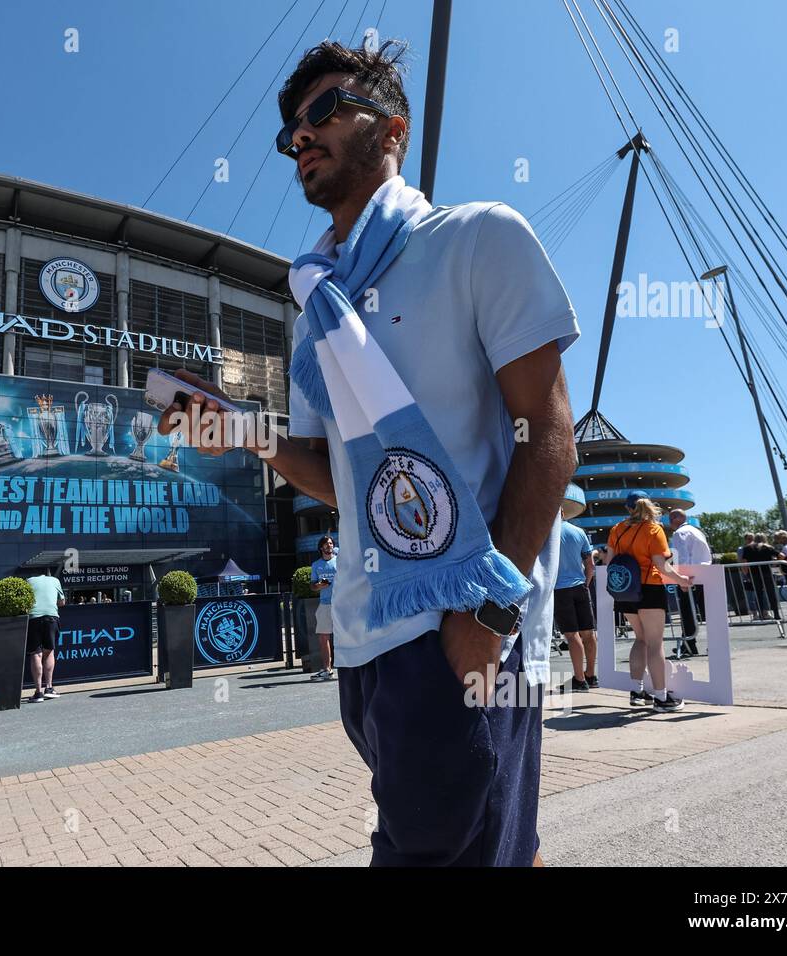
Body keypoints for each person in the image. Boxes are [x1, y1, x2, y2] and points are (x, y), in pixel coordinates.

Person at [157, 39, 579, 866]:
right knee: (489, 847)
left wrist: (483, 621)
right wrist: (245, 432)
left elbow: (549, 438)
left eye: (323, 111)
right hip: (366, 634)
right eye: (290, 131)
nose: (301, 136)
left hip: (468, 627)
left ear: (394, 126)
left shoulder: (478, 237)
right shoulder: (320, 303)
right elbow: (353, 484)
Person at [604, 495, 694, 712]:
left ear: (628, 507)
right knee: (655, 643)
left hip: (625, 589)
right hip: (649, 587)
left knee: (640, 639)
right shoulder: (653, 529)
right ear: (650, 507)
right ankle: (662, 698)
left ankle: (637, 692)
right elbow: (661, 566)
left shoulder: (617, 528)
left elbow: (609, 561)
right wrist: (682, 580)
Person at [553, 512, 596, 691]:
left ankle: (579, 679)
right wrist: (586, 582)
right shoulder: (579, 532)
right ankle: (591, 675)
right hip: (580, 586)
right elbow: (590, 564)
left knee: (571, 635)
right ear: (563, 513)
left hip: (560, 589)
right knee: (588, 632)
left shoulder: (549, 533)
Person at [668, 509, 712, 655]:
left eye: (670, 518)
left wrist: (682, 579)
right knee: (707, 611)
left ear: (675, 519)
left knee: (687, 611)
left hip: (691, 576)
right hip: (705, 573)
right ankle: (714, 643)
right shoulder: (696, 531)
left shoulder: (680, 533)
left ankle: (689, 645)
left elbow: (682, 558)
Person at [25, 568, 66, 703]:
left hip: (33, 618)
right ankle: (49, 688)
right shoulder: (55, 580)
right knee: (49, 652)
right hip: (51, 618)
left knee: (36, 654)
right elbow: (62, 602)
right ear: (47, 573)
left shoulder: (28, 581)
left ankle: (38, 693)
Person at [309, 535, 338, 682]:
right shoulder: (316, 565)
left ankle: (349, 666)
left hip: (342, 603)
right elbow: (313, 586)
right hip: (325, 603)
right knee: (323, 637)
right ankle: (327, 669)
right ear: (321, 547)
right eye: (326, 544)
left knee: (346, 635)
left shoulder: (340, 560)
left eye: (331, 544)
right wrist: (319, 585)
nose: (329, 546)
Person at [741, 533, 782, 621]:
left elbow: (744, 562)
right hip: (767, 572)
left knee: (758, 593)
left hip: (754, 573)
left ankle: (761, 614)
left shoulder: (747, 548)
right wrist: (776, 564)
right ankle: (776, 613)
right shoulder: (768, 547)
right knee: (771, 593)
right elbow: (781, 555)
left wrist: (746, 574)